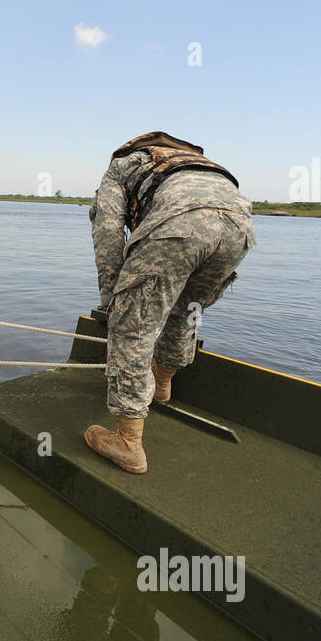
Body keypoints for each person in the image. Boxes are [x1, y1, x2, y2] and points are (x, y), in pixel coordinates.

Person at [84, 131, 256, 474]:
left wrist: (113, 300)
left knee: (132, 327)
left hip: (180, 223)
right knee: (187, 309)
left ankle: (128, 443)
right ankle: (162, 385)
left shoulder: (122, 166)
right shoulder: (199, 166)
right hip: (239, 229)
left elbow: (107, 231)